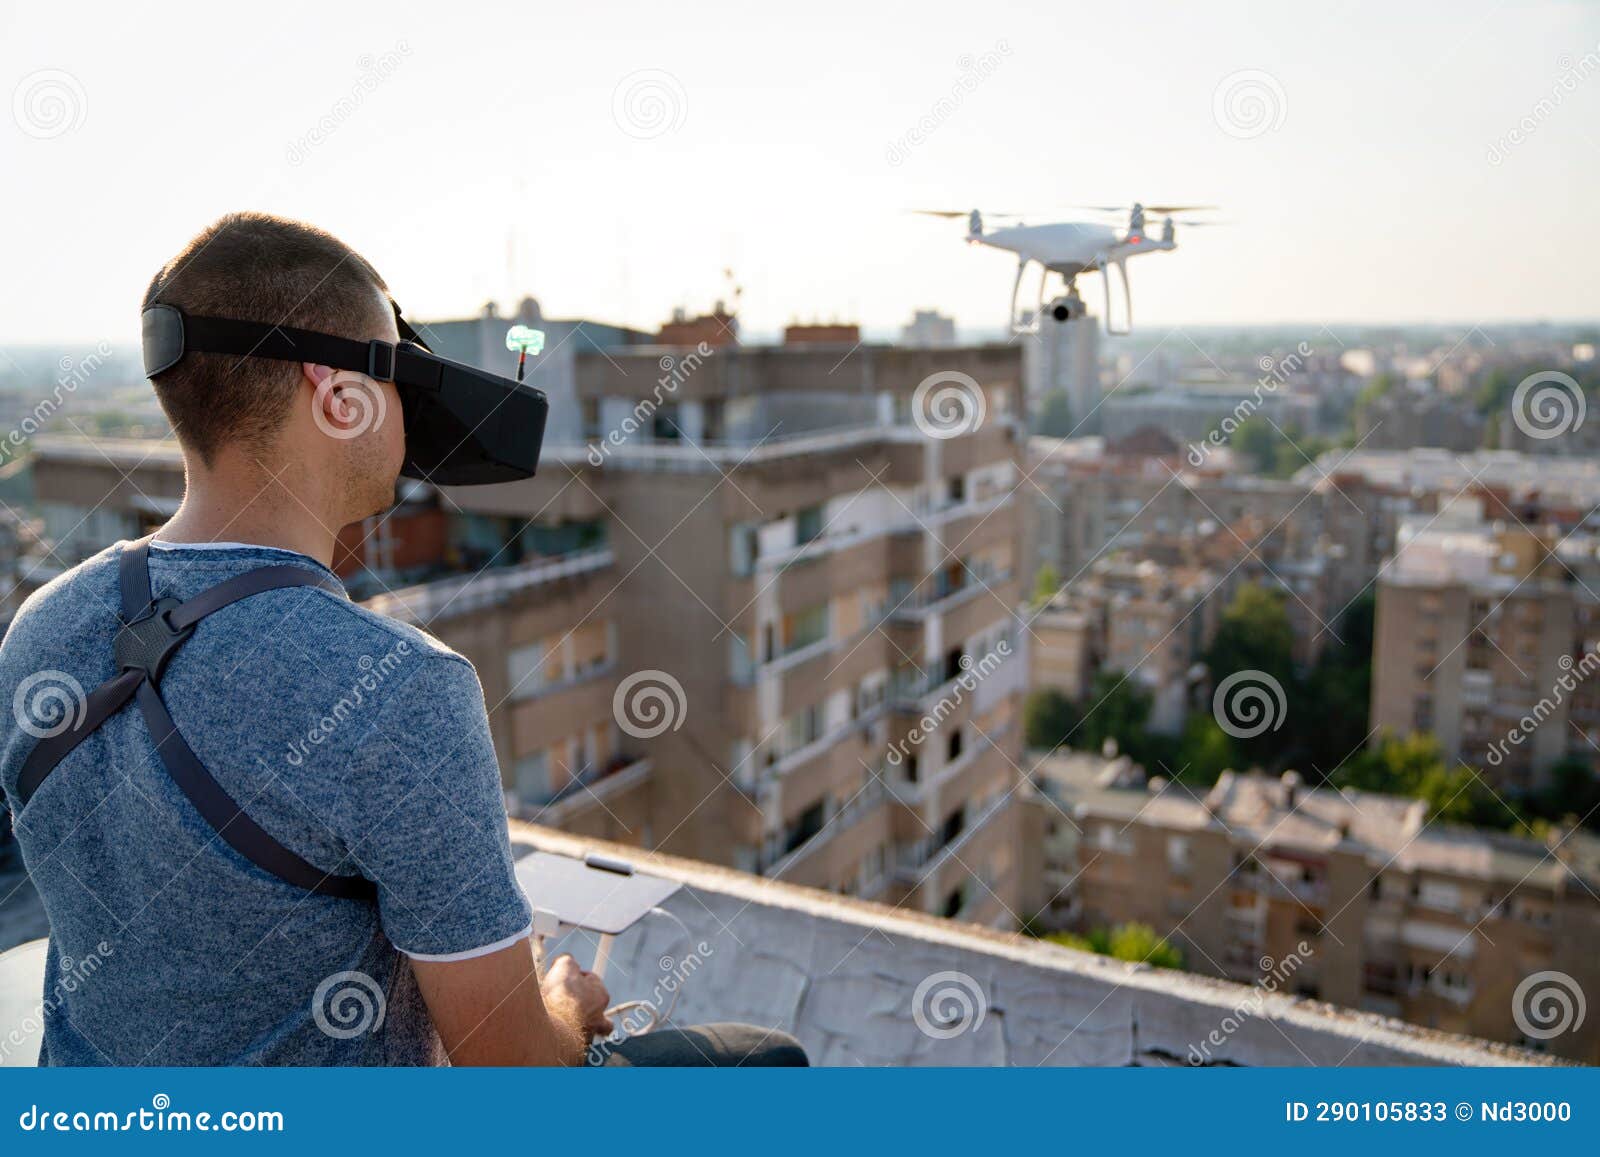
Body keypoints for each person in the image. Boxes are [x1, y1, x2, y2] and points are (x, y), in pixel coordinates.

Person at [0, 212, 805, 1068]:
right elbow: (514, 1072)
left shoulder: (45, 621)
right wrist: (563, 1007)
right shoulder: (396, 684)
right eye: (398, 370)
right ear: (335, 392)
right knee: (763, 1058)